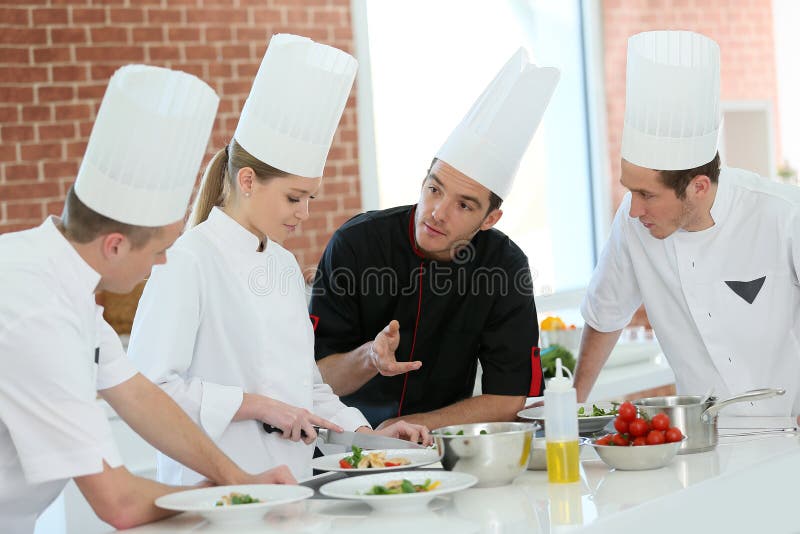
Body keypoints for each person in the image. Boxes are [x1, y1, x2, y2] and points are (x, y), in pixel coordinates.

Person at [0, 65, 294, 534]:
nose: (161, 265)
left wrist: (234, 476)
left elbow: (139, 396)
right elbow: (119, 504)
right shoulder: (36, 310)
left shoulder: (61, 281)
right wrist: (234, 495)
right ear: (114, 245)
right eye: (158, 250)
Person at [127, 34, 429, 484]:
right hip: (213, 496)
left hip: (292, 489)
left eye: (310, 197)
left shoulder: (284, 267)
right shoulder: (187, 261)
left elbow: (306, 390)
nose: (305, 214)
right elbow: (149, 391)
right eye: (294, 197)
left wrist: (373, 436)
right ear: (247, 180)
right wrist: (257, 404)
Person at [309, 48, 560, 429]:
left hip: (444, 448)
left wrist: (417, 426)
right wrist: (369, 359)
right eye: (434, 189)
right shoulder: (356, 244)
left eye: (464, 205)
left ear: (491, 218)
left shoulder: (504, 266)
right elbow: (316, 379)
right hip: (346, 447)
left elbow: (510, 397)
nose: (438, 212)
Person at [573, 30, 800, 417]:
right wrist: (569, 406)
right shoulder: (632, 227)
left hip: (789, 441)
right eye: (630, 191)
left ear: (697, 187)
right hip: (702, 445)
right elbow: (604, 314)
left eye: (647, 195)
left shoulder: (782, 214)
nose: (633, 210)